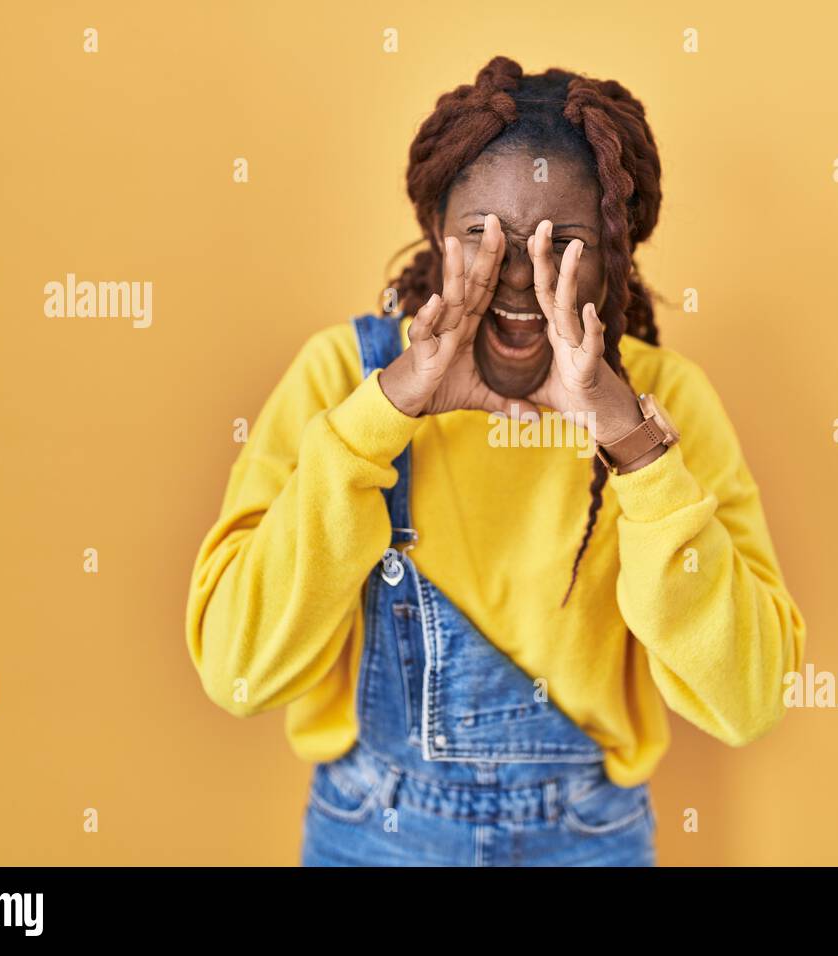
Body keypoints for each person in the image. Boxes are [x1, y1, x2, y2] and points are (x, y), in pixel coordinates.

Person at [185, 56, 806, 866]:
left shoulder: (663, 405)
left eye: (563, 245)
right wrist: (387, 413)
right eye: (482, 236)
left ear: (615, 251)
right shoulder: (342, 381)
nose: (518, 276)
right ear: (438, 233)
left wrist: (635, 447)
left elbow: (749, 701)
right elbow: (239, 673)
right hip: (377, 829)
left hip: (589, 836)